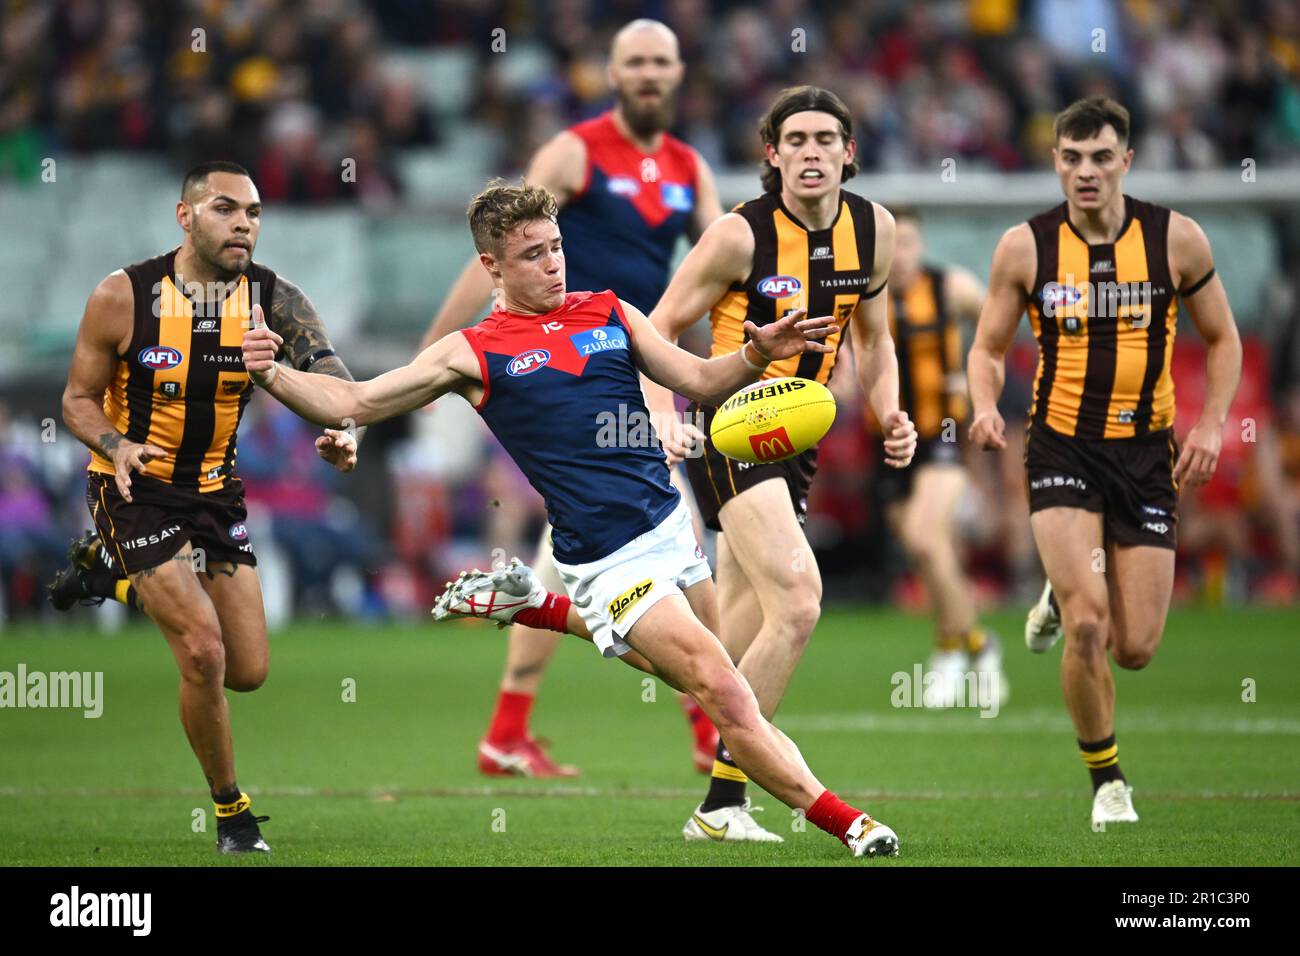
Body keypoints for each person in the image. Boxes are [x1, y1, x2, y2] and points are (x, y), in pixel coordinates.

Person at [242, 178, 901, 859]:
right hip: (609, 559)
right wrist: (275, 377)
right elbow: (354, 399)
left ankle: (541, 608)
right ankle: (849, 823)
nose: (553, 263)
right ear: (492, 266)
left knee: (692, 669)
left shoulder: (611, 311)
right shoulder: (470, 352)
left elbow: (701, 381)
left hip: (671, 522)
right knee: (724, 691)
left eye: (557, 248)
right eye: (532, 254)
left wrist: (758, 352)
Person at [419, 19, 724, 778]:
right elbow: (497, 252)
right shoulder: (575, 151)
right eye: (635, 62)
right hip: (579, 369)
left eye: (661, 61)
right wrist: (438, 347)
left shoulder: (689, 165)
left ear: (678, 72)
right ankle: (711, 725)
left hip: (645, 358)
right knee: (664, 523)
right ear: (612, 74)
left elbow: (723, 254)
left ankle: (507, 729)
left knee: (577, 543)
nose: (649, 74)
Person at [49, 161, 362, 853]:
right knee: (204, 652)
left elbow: (333, 372)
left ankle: (109, 580)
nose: (244, 223)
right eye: (226, 209)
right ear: (185, 216)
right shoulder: (124, 295)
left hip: (217, 493)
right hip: (134, 487)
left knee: (249, 670)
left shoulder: (272, 297)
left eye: (252, 211)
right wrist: (114, 442)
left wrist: (344, 430)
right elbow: (74, 400)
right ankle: (231, 812)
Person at [640, 86, 916, 841]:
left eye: (827, 139)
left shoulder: (877, 230)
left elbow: (877, 339)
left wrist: (890, 410)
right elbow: (655, 330)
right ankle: (724, 805)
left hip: (798, 439)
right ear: (772, 154)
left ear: (850, 152)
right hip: (733, 424)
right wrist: (666, 422)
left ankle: (606, 632)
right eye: (795, 140)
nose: (812, 152)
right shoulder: (738, 236)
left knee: (729, 637)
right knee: (799, 600)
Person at [966, 97, 1243, 826]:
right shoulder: (1025, 247)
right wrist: (986, 403)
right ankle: (1108, 782)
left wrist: (1211, 423)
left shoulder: (1176, 241)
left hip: (1148, 453)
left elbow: (1223, 339)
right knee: (1089, 627)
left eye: (1099, 157)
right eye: (1070, 157)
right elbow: (988, 347)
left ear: (1126, 161)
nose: (1084, 171)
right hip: (1062, 445)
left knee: (1137, 648)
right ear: (1055, 160)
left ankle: (1064, 588)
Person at [866, 206, 1006, 707]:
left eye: (908, 243)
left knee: (927, 541)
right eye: (892, 244)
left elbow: (997, 332)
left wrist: (976, 385)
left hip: (942, 437)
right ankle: (966, 641)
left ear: (920, 246)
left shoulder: (952, 287)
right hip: (885, 442)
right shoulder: (865, 297)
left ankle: (960, 648)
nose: (900, 255)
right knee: (929, 556)